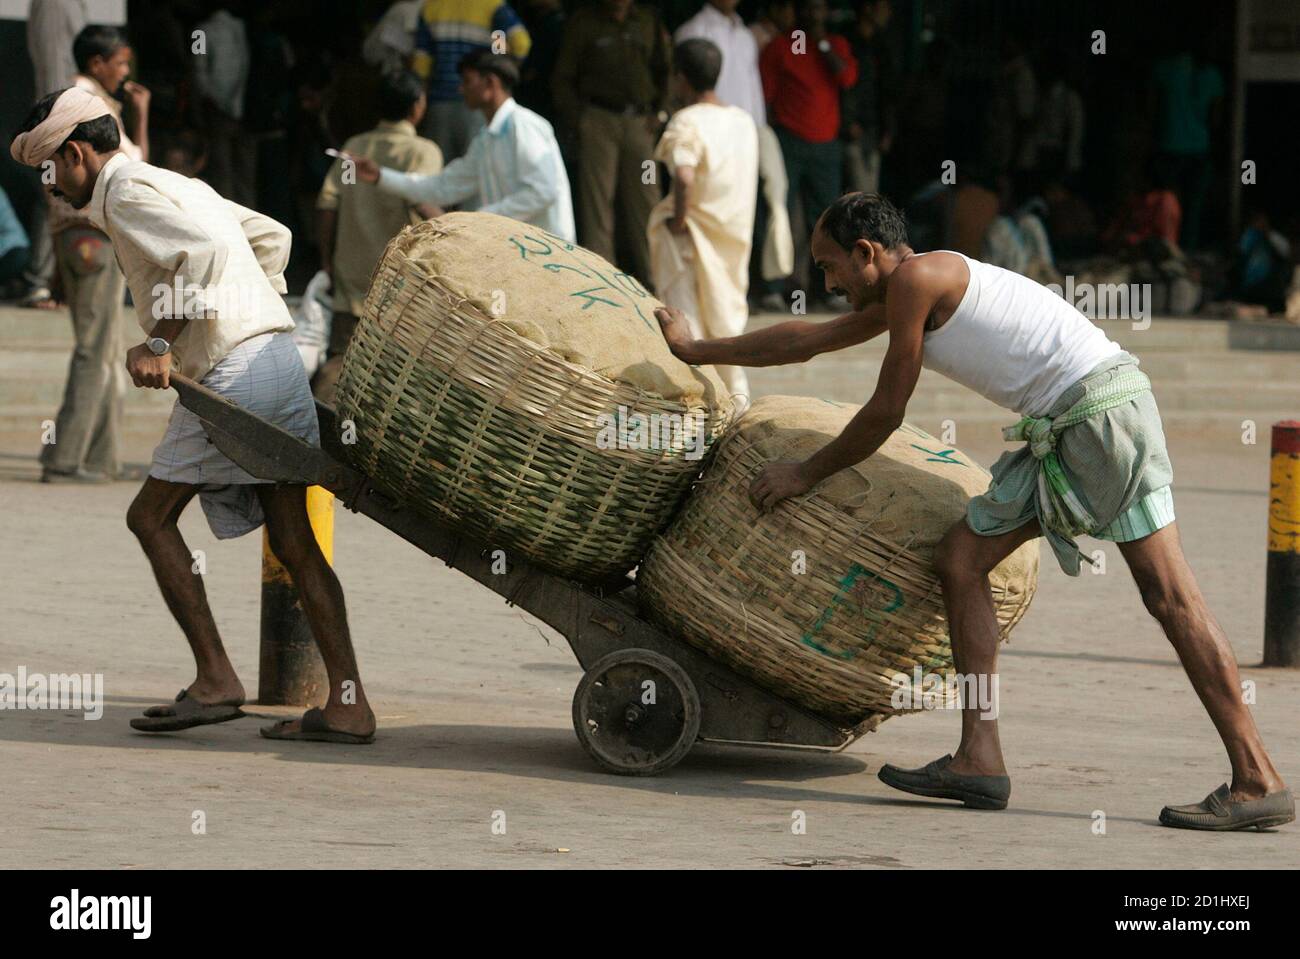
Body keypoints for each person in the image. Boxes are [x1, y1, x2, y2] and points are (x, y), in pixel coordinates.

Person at [654, 192, 1294, 830]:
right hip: (1095, 414)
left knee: (1170, 597)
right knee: (965, 559)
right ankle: (979, 757)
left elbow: (886, 409)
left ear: (865, 253)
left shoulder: (917, 281)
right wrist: (695, 349)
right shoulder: (913, 285)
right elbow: (809, 341)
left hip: (1098, 421)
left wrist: (804, 472)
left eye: (829, 267)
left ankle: (1255, 776)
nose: (827, 283)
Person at [11, 87, 375, 745]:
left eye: (52, 170)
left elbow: (202, 259)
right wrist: (250, 313)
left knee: (148, 516)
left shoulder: (125, 191)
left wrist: (160, 342)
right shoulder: (175, 182)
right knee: (294, 542)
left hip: (231, 375)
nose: (54, 186)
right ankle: (348, 703)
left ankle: (215, 678)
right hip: (268, 355)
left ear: (73, 153)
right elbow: (273, 236)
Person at [40, 25, 149, 484]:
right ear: (98, 62)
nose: (125, 73)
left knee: (103, 349)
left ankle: (99, 458)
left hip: (75, 235)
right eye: (120, 63)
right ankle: (66, 459)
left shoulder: (70, 102)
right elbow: (132, 167)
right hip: (93, 235)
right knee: (94, 349)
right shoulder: (91, 107)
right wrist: (142, 115)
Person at [315, 70, 444, 403]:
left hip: (352, 277)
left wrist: (328, 261)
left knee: (340, 363)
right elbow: (426, 207)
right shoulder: (423, 151)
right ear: (417, 105)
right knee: (398, 374)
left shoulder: (355, 146)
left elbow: (327, 204)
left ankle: (318, 438)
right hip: (403, 283)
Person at [352, 51, 574, 242]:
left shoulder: (523, 125)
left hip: (548, 255)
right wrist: (381, 176)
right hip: (520, 252)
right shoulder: (485, 140)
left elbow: (543, 190)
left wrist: (482, 218)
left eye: (467, 81)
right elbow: (443, 186)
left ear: (490, 83)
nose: (460, 89)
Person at [648, 38, 758, 408]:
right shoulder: (743, 121)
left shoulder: (687, 120)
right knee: (727, 337)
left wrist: (679, 220)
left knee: (688, 337)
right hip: (731, 247)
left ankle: (698, 421)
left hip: (689, 245)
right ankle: (738, 414)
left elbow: (683, 175)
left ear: (680, 78)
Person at [675, 0, 793, 312]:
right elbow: (684, 88)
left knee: (756, 212)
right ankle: (716, 296)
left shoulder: (744, 35)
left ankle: (753, 290)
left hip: (749, 132)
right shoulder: (694, 30)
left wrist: (759, 132)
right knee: (715, 214)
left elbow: (752, 88)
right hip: (713, 137)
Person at [552, 0, 669, 284]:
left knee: (647, 200)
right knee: (597, 203)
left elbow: (665, 68)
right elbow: (562, 77)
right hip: (599, 118)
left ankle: (656, 281)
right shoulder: (584, 22)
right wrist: (580, 120)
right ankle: (602, 283)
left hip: (640, 122)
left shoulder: (647, 19)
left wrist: (661, 111)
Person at [759, 0, 857, 305]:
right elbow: (765, 95)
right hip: (789, 141)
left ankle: (829, 290)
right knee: (780, 212)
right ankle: (773, 289)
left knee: (827, 219)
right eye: (808, 8)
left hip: (826, 145)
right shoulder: (780, 47)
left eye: (819, 8)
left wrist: (823, 45)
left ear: (827, 13)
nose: (813, 14)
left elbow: (847, 79)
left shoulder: (837, 44)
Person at [22, 0, 89, 309]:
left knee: (60, 195)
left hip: (68, 115)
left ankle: (53, 281)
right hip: (59, 118)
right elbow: (53, 67)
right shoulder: (54, 4)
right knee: (54, 194)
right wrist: (60, 122)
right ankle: (41, 282)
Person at [411, 0, 531, 161]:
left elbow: (421, 65)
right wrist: (498, 63)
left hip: (439, 104)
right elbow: (521, 44)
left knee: (440, 168)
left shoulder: (430, 8)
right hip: (480, 104)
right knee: (478, 168)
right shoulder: (492, 6)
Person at [194, 1, 255, 207]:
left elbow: (198, 70)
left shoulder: (200, 32)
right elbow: (245, 66)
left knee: (222, 170)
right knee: (245, 171)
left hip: (216, 108)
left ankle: (228, 216)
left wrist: (208, 99)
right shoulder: (240, 28)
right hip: (242, 106)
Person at [841, 0, 896, 197]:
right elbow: (844, 86)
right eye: (884, 7)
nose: (888, 13)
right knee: (862, 193)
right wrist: (848, 121)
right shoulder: (846, 41)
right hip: (852, 129)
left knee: (869, 193)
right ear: (867, 8)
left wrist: (888, 129)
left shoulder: (881, 46)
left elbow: (886, 91)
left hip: (874, 129)